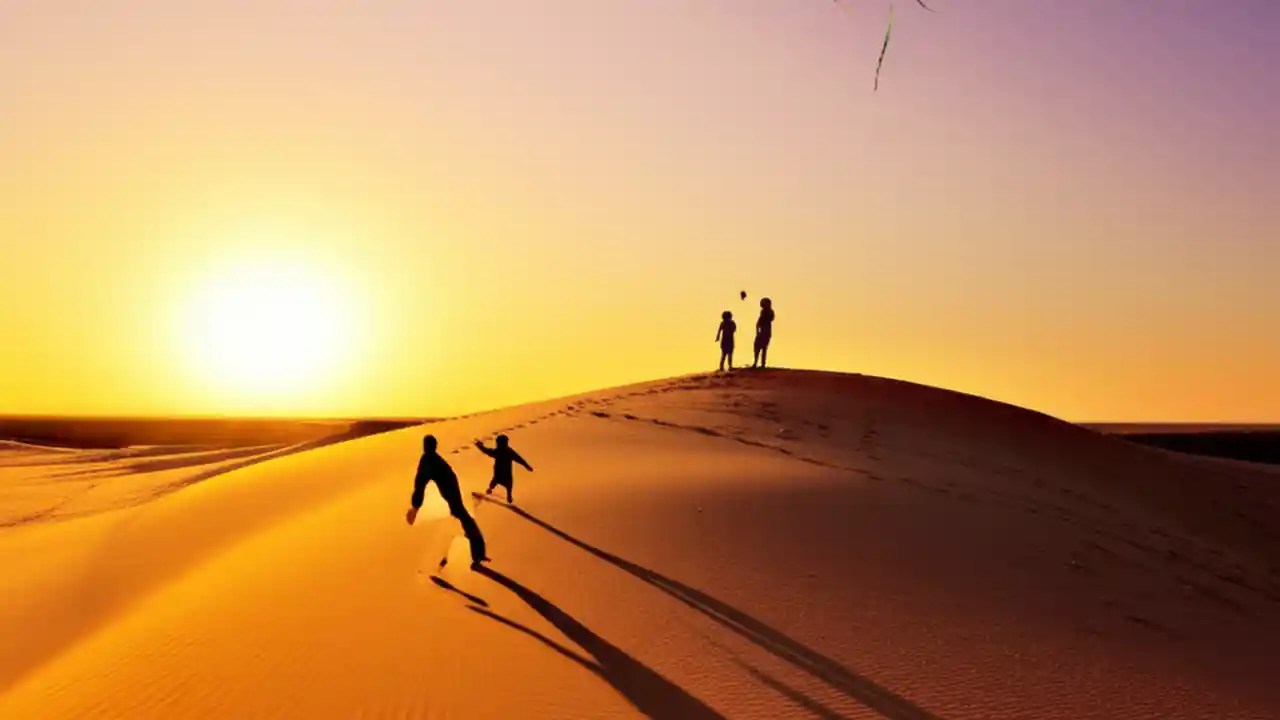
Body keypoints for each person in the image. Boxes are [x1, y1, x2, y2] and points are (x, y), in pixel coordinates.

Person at [406, 434, 488, 568]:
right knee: (461, 515)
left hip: (450, 492)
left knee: (462, 516)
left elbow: (420, 483)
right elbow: (422, 483)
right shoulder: (434, 459)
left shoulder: (428, 460)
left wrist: (415, 507)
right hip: (451, 490)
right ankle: (476, 547)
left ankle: (477, 550)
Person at [475, 434, 533, 504]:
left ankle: (503, 494)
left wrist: (479, 445)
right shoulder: (508, 451)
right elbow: (519, 459)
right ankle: (503, 494)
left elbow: (485, 450)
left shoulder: (499, 451)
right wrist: (526, 465)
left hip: (500, 474)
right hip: (504, 474)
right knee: (504, 484)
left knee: (498, 482)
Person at [753, 297, 775, 368]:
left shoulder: (766, 312)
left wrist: (758, 330)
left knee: (759, 348)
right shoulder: (768, 312)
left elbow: (760, 322)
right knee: (762, 348)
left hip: (764, 332)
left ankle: (758, 363)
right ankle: (761, 363)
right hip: (766, 332)